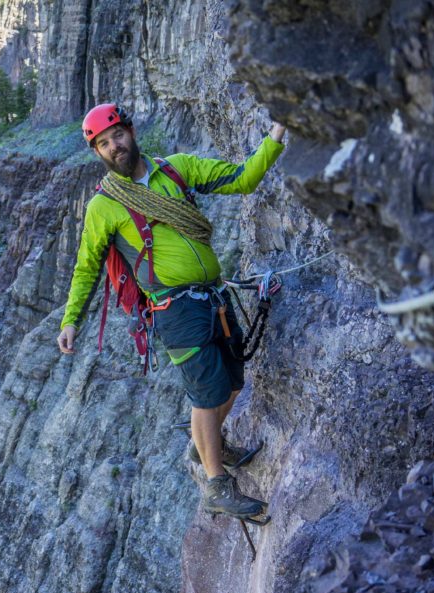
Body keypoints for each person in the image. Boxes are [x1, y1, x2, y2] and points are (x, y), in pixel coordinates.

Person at [56, 103, 285, 520]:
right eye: (104, 144)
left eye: (118, 136)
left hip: (213, 296)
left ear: (131, 130)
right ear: (98, 154)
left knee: (233, 382)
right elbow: (87, 265)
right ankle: (217, 485)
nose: (115, 147)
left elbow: (243, 178)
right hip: (174, 309)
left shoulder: (176, 169)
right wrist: (71, 320)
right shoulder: (104, 207)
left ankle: (206, 444)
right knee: (207, 394)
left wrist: (278, 130)